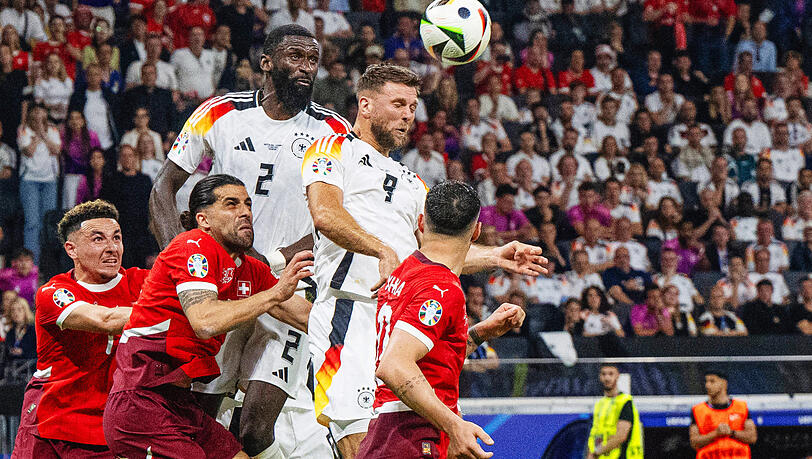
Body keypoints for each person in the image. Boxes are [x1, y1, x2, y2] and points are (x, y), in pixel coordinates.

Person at [302, 64, 545, 458]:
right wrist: (380, 250)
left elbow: (440, 251)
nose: (407, 115)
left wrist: (495, 257)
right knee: (362, 446)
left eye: (412, 106)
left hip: (404, 317)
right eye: (398, 104)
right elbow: (324, 215)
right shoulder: (331, 149)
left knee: (440, 445)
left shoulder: (412, 181)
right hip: (349, 317)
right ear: (365, 105)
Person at [151, 24, 352, 459]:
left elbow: (339, 214)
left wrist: (279, 258)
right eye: (295, 57)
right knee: (198, 420)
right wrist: (185, 262)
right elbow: (162, 188)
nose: (306, 68)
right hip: (224, 284)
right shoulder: (219, 112)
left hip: (289, 282)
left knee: (256, 428)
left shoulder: (333, 129)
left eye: (312, 60)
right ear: (265, 63)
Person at [103, 174, 312, 459]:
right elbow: (205, 321)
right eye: (231, 204)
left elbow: (310, 319)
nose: (245, 212)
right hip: (141, 402)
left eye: (248, 204)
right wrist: (275, 294)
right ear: (203, 219)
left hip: (179, 401)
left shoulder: (250, 269)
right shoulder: (193, 247)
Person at [357, 181, 526, 459]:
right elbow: (394, 365)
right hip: (410, 433)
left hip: (391, 433)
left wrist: (480, 333)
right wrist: (454, 425)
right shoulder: (442, 287)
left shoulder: (407, 270)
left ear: (421, 223)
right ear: (476, 232)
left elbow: (431, 359)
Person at [11, 200, 148, 458]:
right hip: (50, 424)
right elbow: (104, 320)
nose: (111, 248)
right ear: (71, 249)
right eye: (98, 239)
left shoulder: (142, 282)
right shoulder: (54, 292)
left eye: (116, 238)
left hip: (107, 428)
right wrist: (164, 313)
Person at [18, 104, 61, 263]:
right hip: (30, 180)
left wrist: (44, 134)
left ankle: (47, 263)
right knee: (32, 223)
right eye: (35, 111)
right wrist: (37, 137)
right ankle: (32, 265)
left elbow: (56, 149)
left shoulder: (53, 130)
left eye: (41, 111)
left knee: (48, 223)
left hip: (49, 181)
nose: (38, 114)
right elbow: (28, 151)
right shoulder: (24, 130)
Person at [690, 370, 757, 458]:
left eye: (712, 381)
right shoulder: (698, 410)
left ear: (724, 383)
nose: (707, 385)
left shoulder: (741, 407)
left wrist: (732, 433)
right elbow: (694, 443)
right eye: (706, 381)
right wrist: (715, 434)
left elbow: (752, 437)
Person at [587, 364, 644, 459]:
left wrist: (596, 453)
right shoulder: (600, 404)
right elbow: (594, 435)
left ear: (617, 376)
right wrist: (590, 453)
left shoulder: (625, 402)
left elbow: (621, 435)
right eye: (604, 374)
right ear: (600, 377)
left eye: (611, 374)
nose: (607, 378)